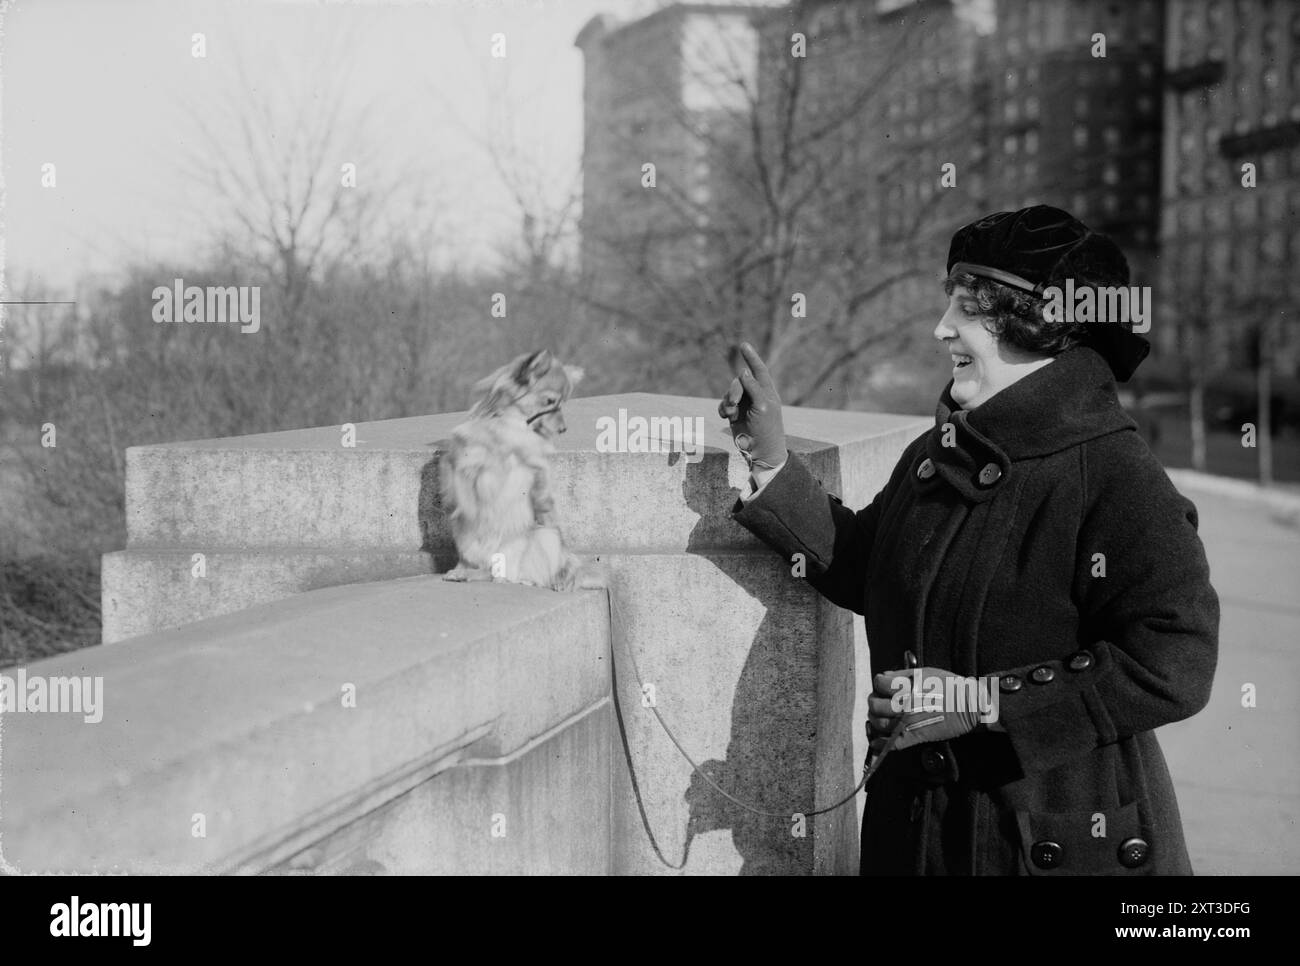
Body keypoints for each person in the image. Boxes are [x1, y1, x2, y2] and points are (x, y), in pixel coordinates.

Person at [718, 205, 1219, 875]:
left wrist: (978, 703)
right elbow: (867, 564)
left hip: (1050, 841)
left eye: (967, 308)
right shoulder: (942, 450)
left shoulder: (1115, 474)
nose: (941, 327)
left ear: (1040, 322)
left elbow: (1174, 661)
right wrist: (769, 458)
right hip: (917, 835)